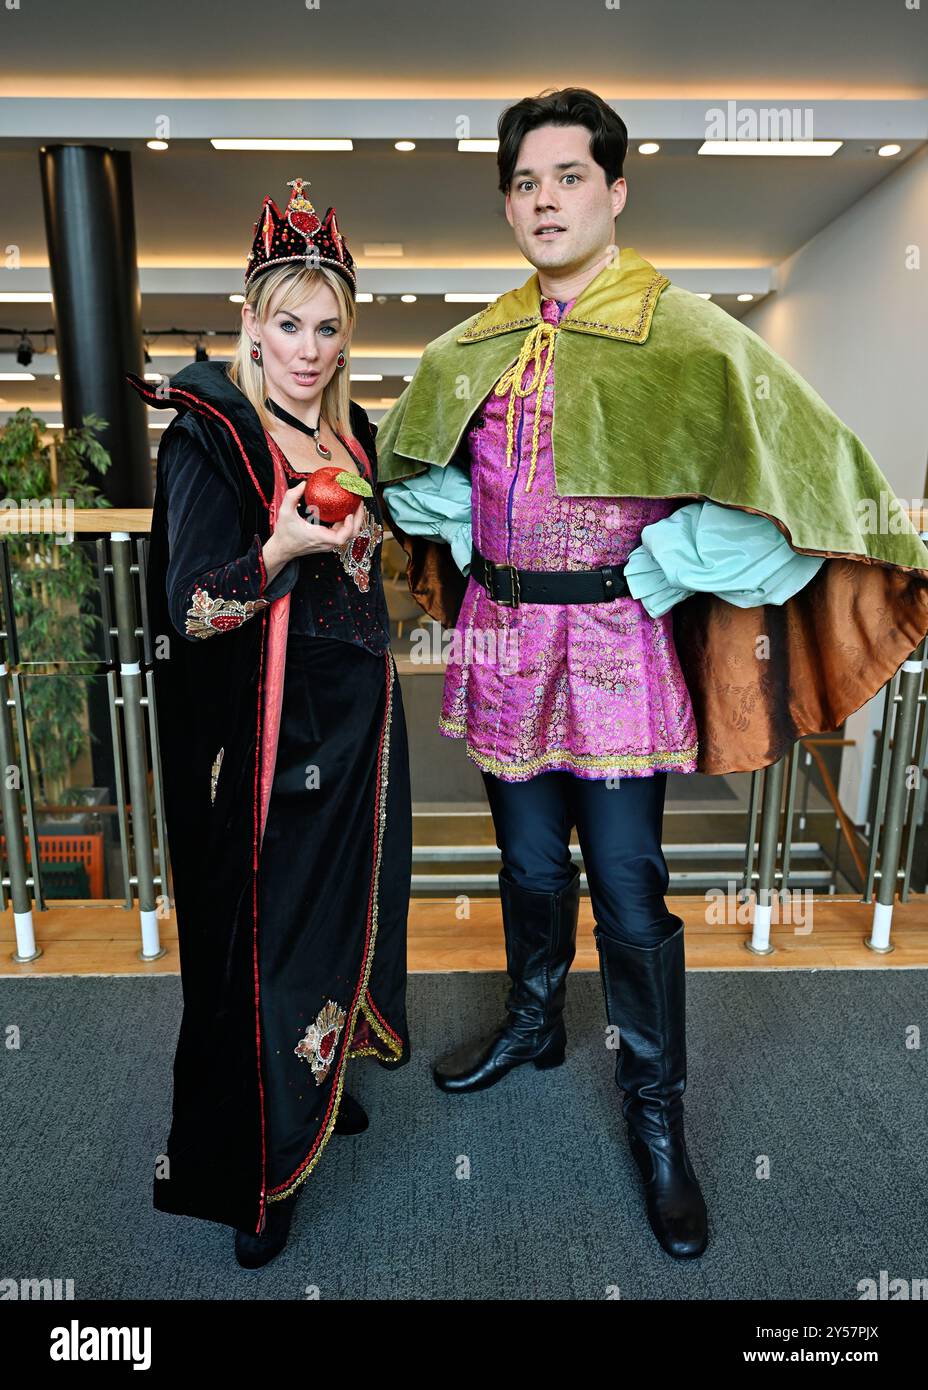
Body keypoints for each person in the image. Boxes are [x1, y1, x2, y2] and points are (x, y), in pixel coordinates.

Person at [374, 88, 928, 1261]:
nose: (544, 201)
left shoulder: (687, 334)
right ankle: (533, 1020)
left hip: (617, 651)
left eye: (568, 177)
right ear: (508, 205)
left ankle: (656, 1113)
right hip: (502, 642)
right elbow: (415, 470)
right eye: (524, 183)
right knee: (529, 862)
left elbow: (801, 476)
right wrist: (460, 518)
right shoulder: (473, 343)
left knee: (627, 888)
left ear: (615, 190)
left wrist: (672, 561)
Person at [127, 177, 412, 1270]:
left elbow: (365, 572)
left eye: (328, 328)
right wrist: (283, 549)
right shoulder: (212, 438)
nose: (309, 349)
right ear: (250, 320)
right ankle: (264, 1161)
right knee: (269, 945)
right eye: (288, 324)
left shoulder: (351, 432)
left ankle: (319, 1082)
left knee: (344, 916)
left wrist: (362, 540)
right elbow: (194, 606)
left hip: (358, 726)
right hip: (270, 739)